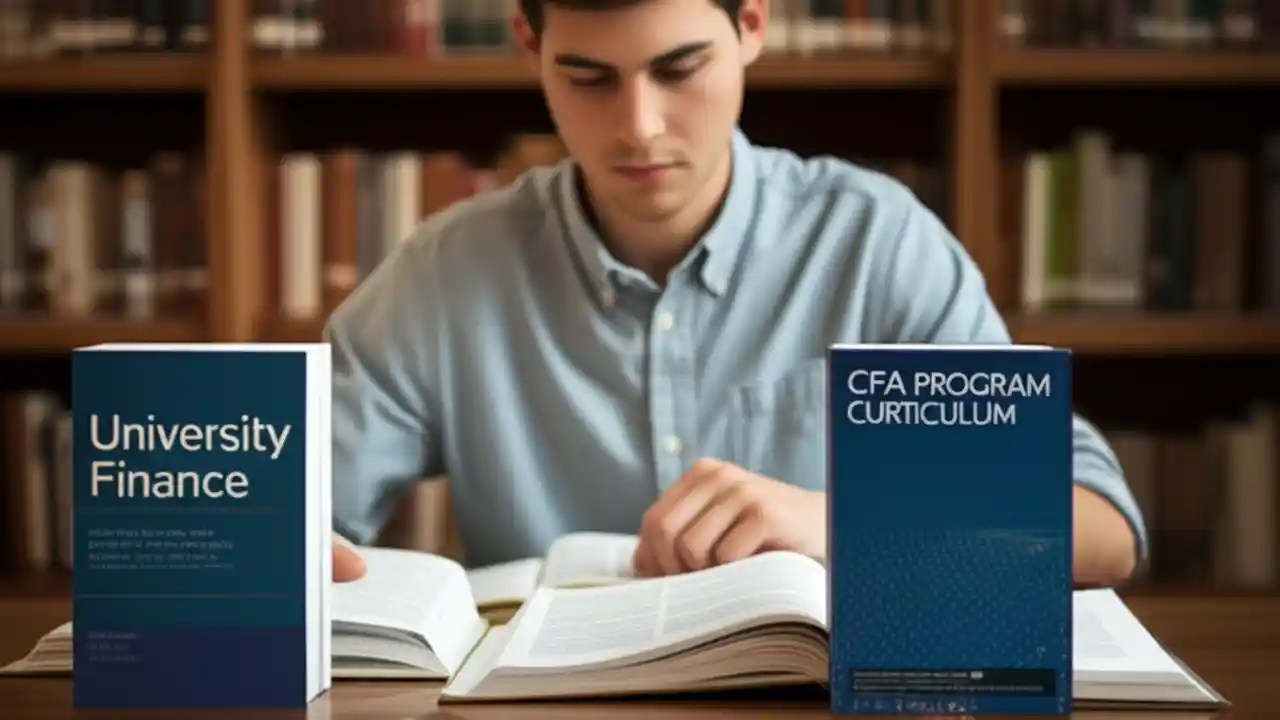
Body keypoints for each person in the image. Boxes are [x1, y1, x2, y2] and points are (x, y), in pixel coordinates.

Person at [328, 0, 1147, 587]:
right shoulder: (447, 271)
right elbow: (291, 510)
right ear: (528, 48)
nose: (640, 125)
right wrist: (274, 544)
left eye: (679, 69)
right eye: (588, 78)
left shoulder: (873, 242)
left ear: (752, 24)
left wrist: (839, 521)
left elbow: (1102, 528)